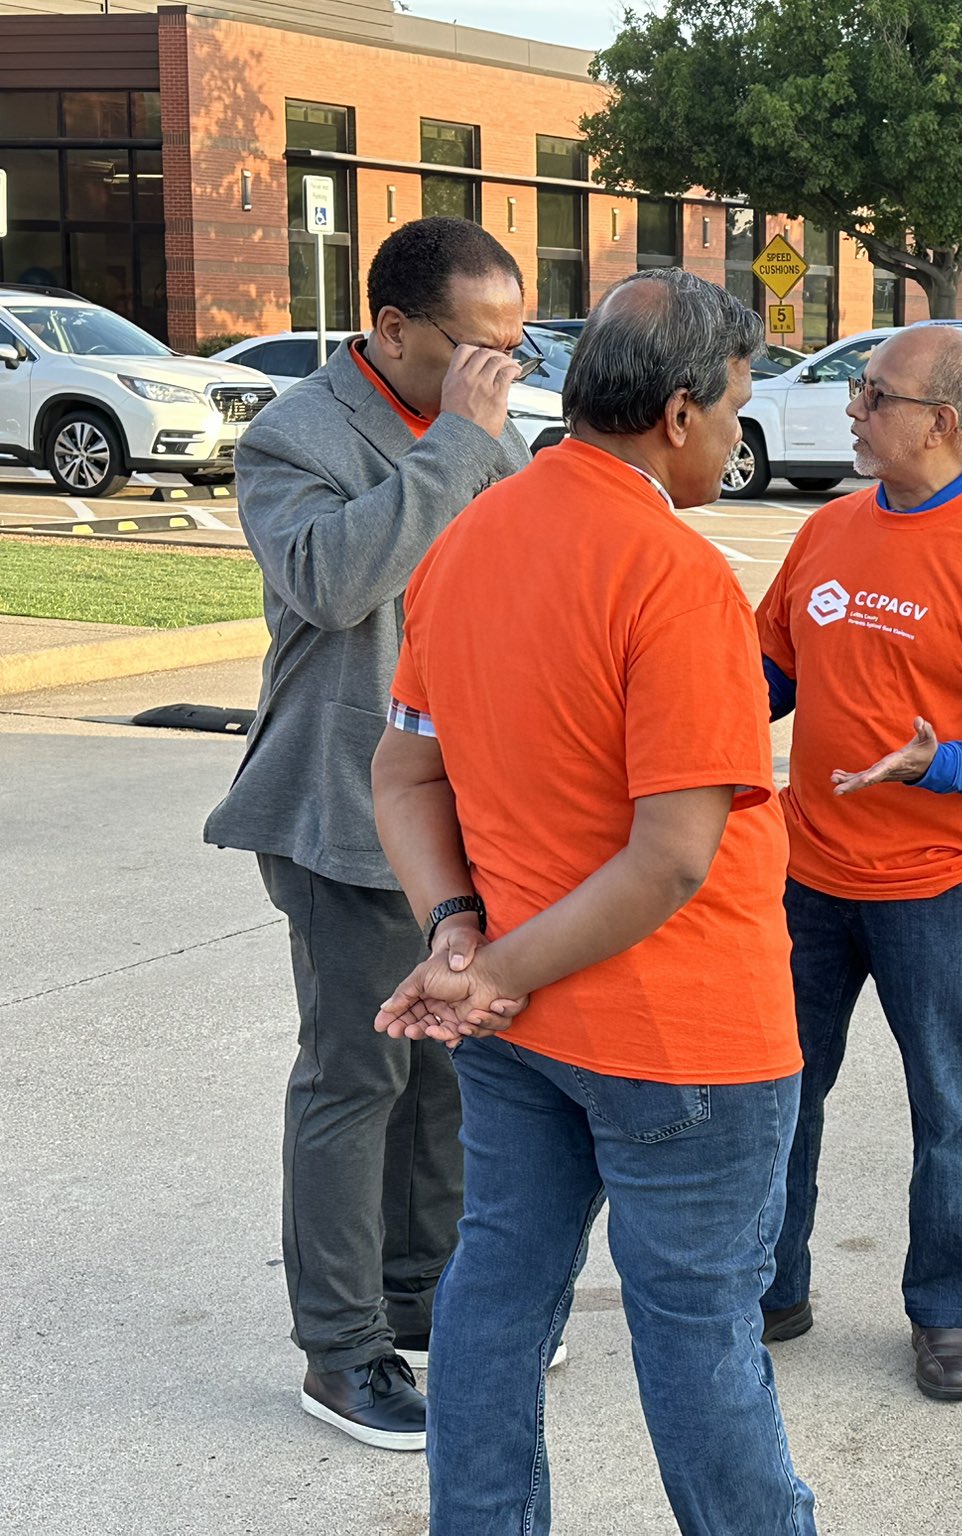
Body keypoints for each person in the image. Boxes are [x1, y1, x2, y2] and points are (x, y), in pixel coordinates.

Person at [368, 269, 816, 1532]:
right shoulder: (672, 576)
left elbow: (403, 770)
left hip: (518, 1023)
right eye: (734, 409)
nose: (738, 436)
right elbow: (672, 856)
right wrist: (490, 967)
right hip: (682, 1037)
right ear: (677, 414)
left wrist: (459, 934)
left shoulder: (468, 542)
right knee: (698, 1337)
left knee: (495, 1291)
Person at [202, 216, 530, 1449]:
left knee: (447, 1065)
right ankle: (339, 1351)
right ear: (392, 328)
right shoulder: (298, 435)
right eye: (473, 343)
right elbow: (335, 583)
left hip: (464, 808)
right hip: (340, 806)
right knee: (356, 1074)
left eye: (515, 343)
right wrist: (458, 445)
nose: (500, 367)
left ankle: (423, 1289)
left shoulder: (485, 431)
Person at [755, 324, 962, 1402]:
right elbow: (768, 669)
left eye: (873, 393)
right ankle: (774, 1285)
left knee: (947, 1103)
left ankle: (941, 1313)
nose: (853, 408)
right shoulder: (828, 532)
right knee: (781, 1091)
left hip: (938, 887)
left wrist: (938, 763)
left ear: (942, 423)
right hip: (808, 877)